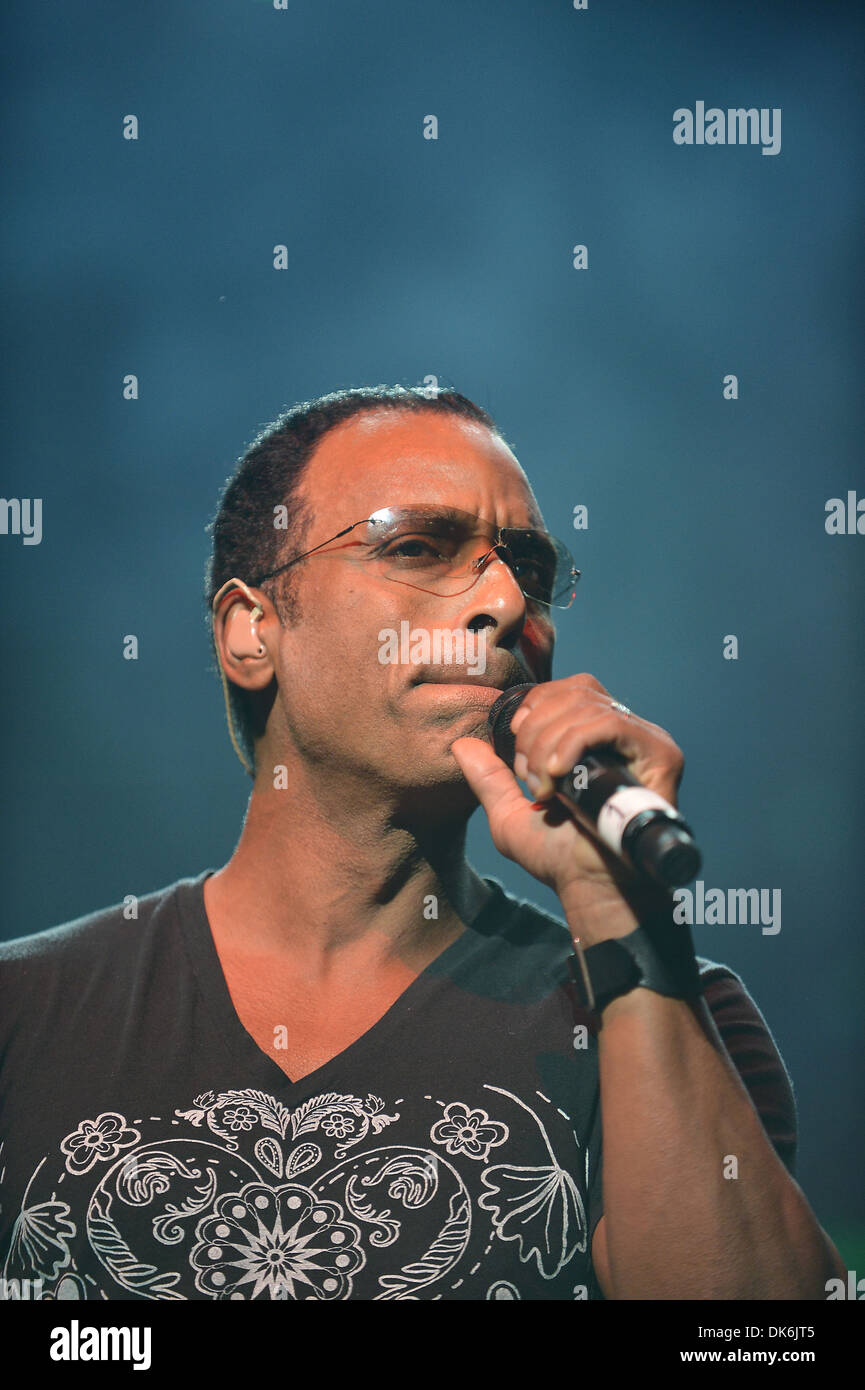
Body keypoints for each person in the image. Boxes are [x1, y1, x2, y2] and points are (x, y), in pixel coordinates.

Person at [0, 385, 845, 1302]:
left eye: (526, 566)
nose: (504, 599)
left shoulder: (671, 1010)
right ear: (253, 632)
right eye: (415, 547)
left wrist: (619, 920)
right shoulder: (24, 1011)